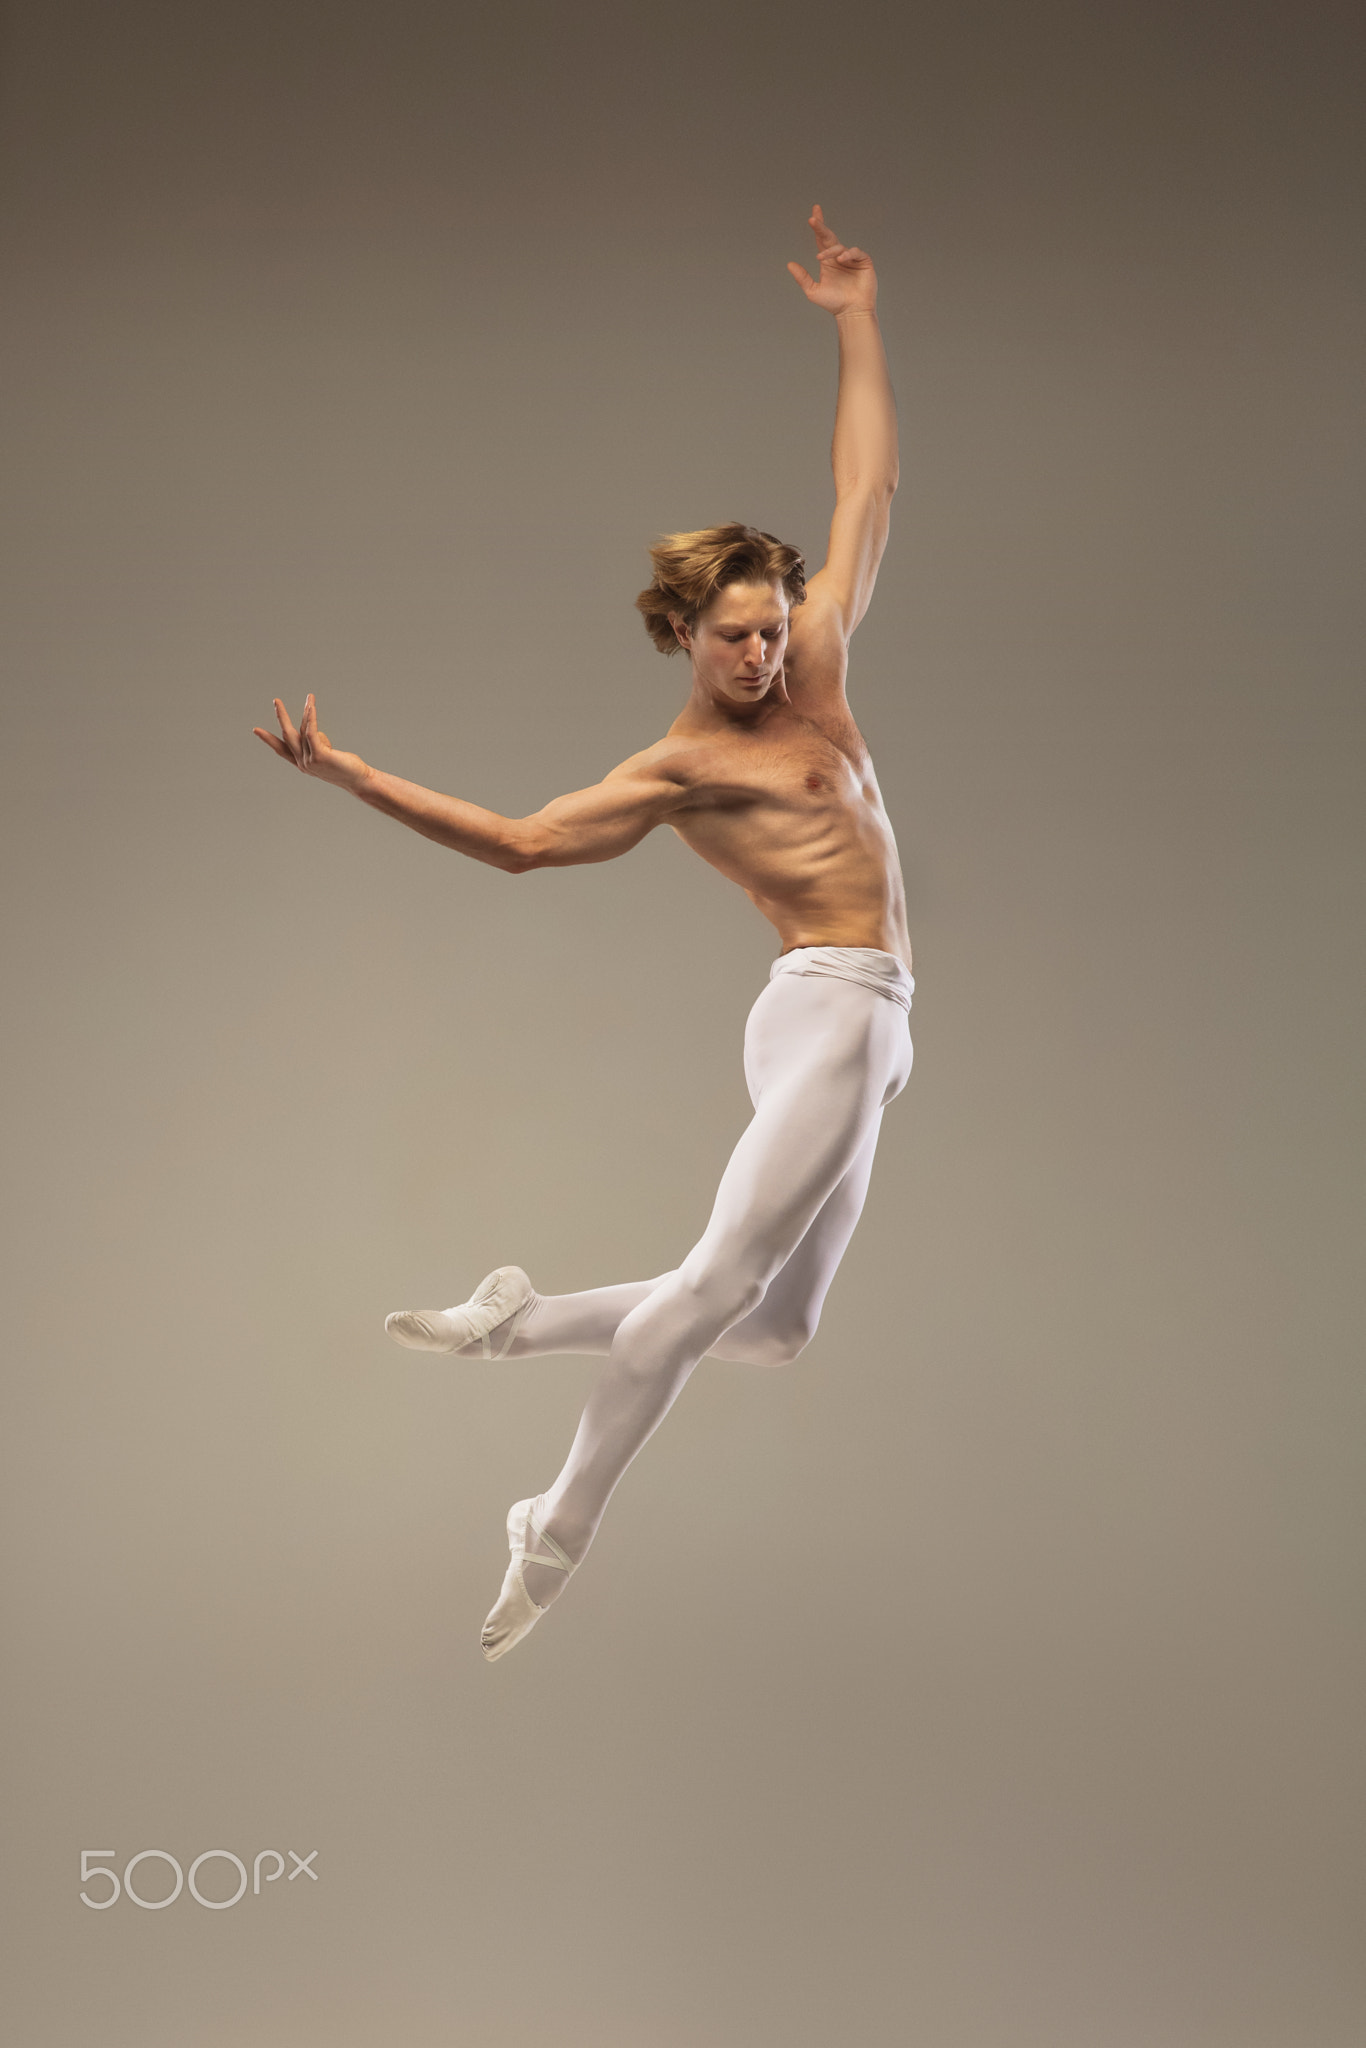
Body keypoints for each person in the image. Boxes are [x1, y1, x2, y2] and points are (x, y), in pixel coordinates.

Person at [255, 205, 913, 1660]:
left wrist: (854, 317)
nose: (759, 650)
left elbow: (862, 491)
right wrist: (351, 771)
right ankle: (552, 1528)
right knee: (707, 1299)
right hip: (827, 1007)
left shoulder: (817, 666)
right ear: (680, 631)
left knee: (770, 1326)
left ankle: (514, 1318)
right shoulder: (678, 772)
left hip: (875, 1021)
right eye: (731, 632)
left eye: (770, 624)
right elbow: (518, 846)